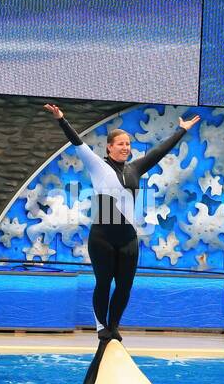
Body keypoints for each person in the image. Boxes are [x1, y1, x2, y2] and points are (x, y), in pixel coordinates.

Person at [42, 103, 200, 342]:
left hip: (128, 239)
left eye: (128, 144)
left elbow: (160, 152)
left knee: (124, 287)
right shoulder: (98, 166)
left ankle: (114, 325)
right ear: (109, 147)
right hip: (102, 238)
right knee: (103, 283)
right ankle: (100, 326)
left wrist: (181, 130)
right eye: (121, 144)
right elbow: (77, 142)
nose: (126, 148)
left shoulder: (135, 169)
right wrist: (61, 119)